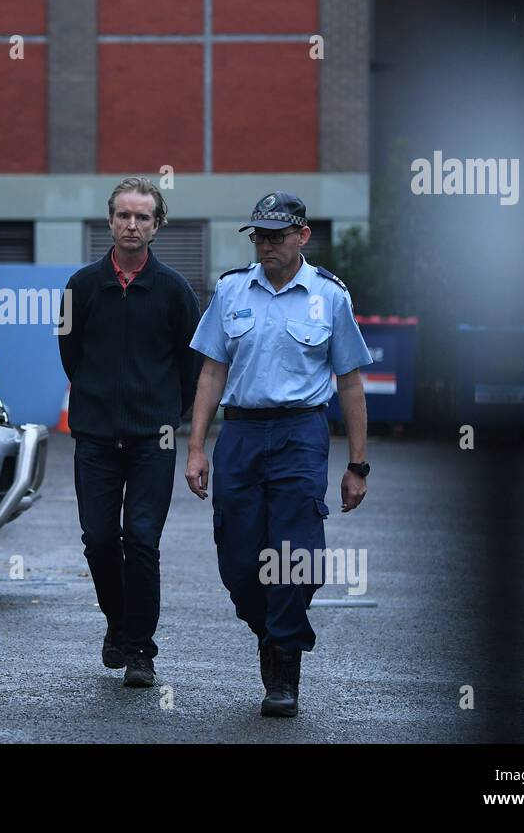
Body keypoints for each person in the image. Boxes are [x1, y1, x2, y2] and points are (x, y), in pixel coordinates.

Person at [185, 191, 372, 716]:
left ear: (302, 236)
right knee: (240, 561)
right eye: (259, 236)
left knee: (296, 552)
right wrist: (196, 448)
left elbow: (351, 383)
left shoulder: (329, 296)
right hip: (241, 435)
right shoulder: (229, 291)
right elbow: (212, 372)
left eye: (276, 235)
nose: (265, 244)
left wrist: (358, 464)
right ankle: (269, 632)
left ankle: (284, 663)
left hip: (300, 433)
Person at [58, 177, 202, 687]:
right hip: (95, 436)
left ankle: (140, 648)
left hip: (152, 439)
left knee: (140, 540)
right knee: (99, 540)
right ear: (109, 221)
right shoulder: (79, 287)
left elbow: (192, 366)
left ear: (157, 225)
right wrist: (97, 403)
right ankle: (118, 624)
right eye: (124, 215)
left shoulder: (175, 292)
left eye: (143, 217)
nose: (132, 225)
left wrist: (168, 416)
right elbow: (70, 356)